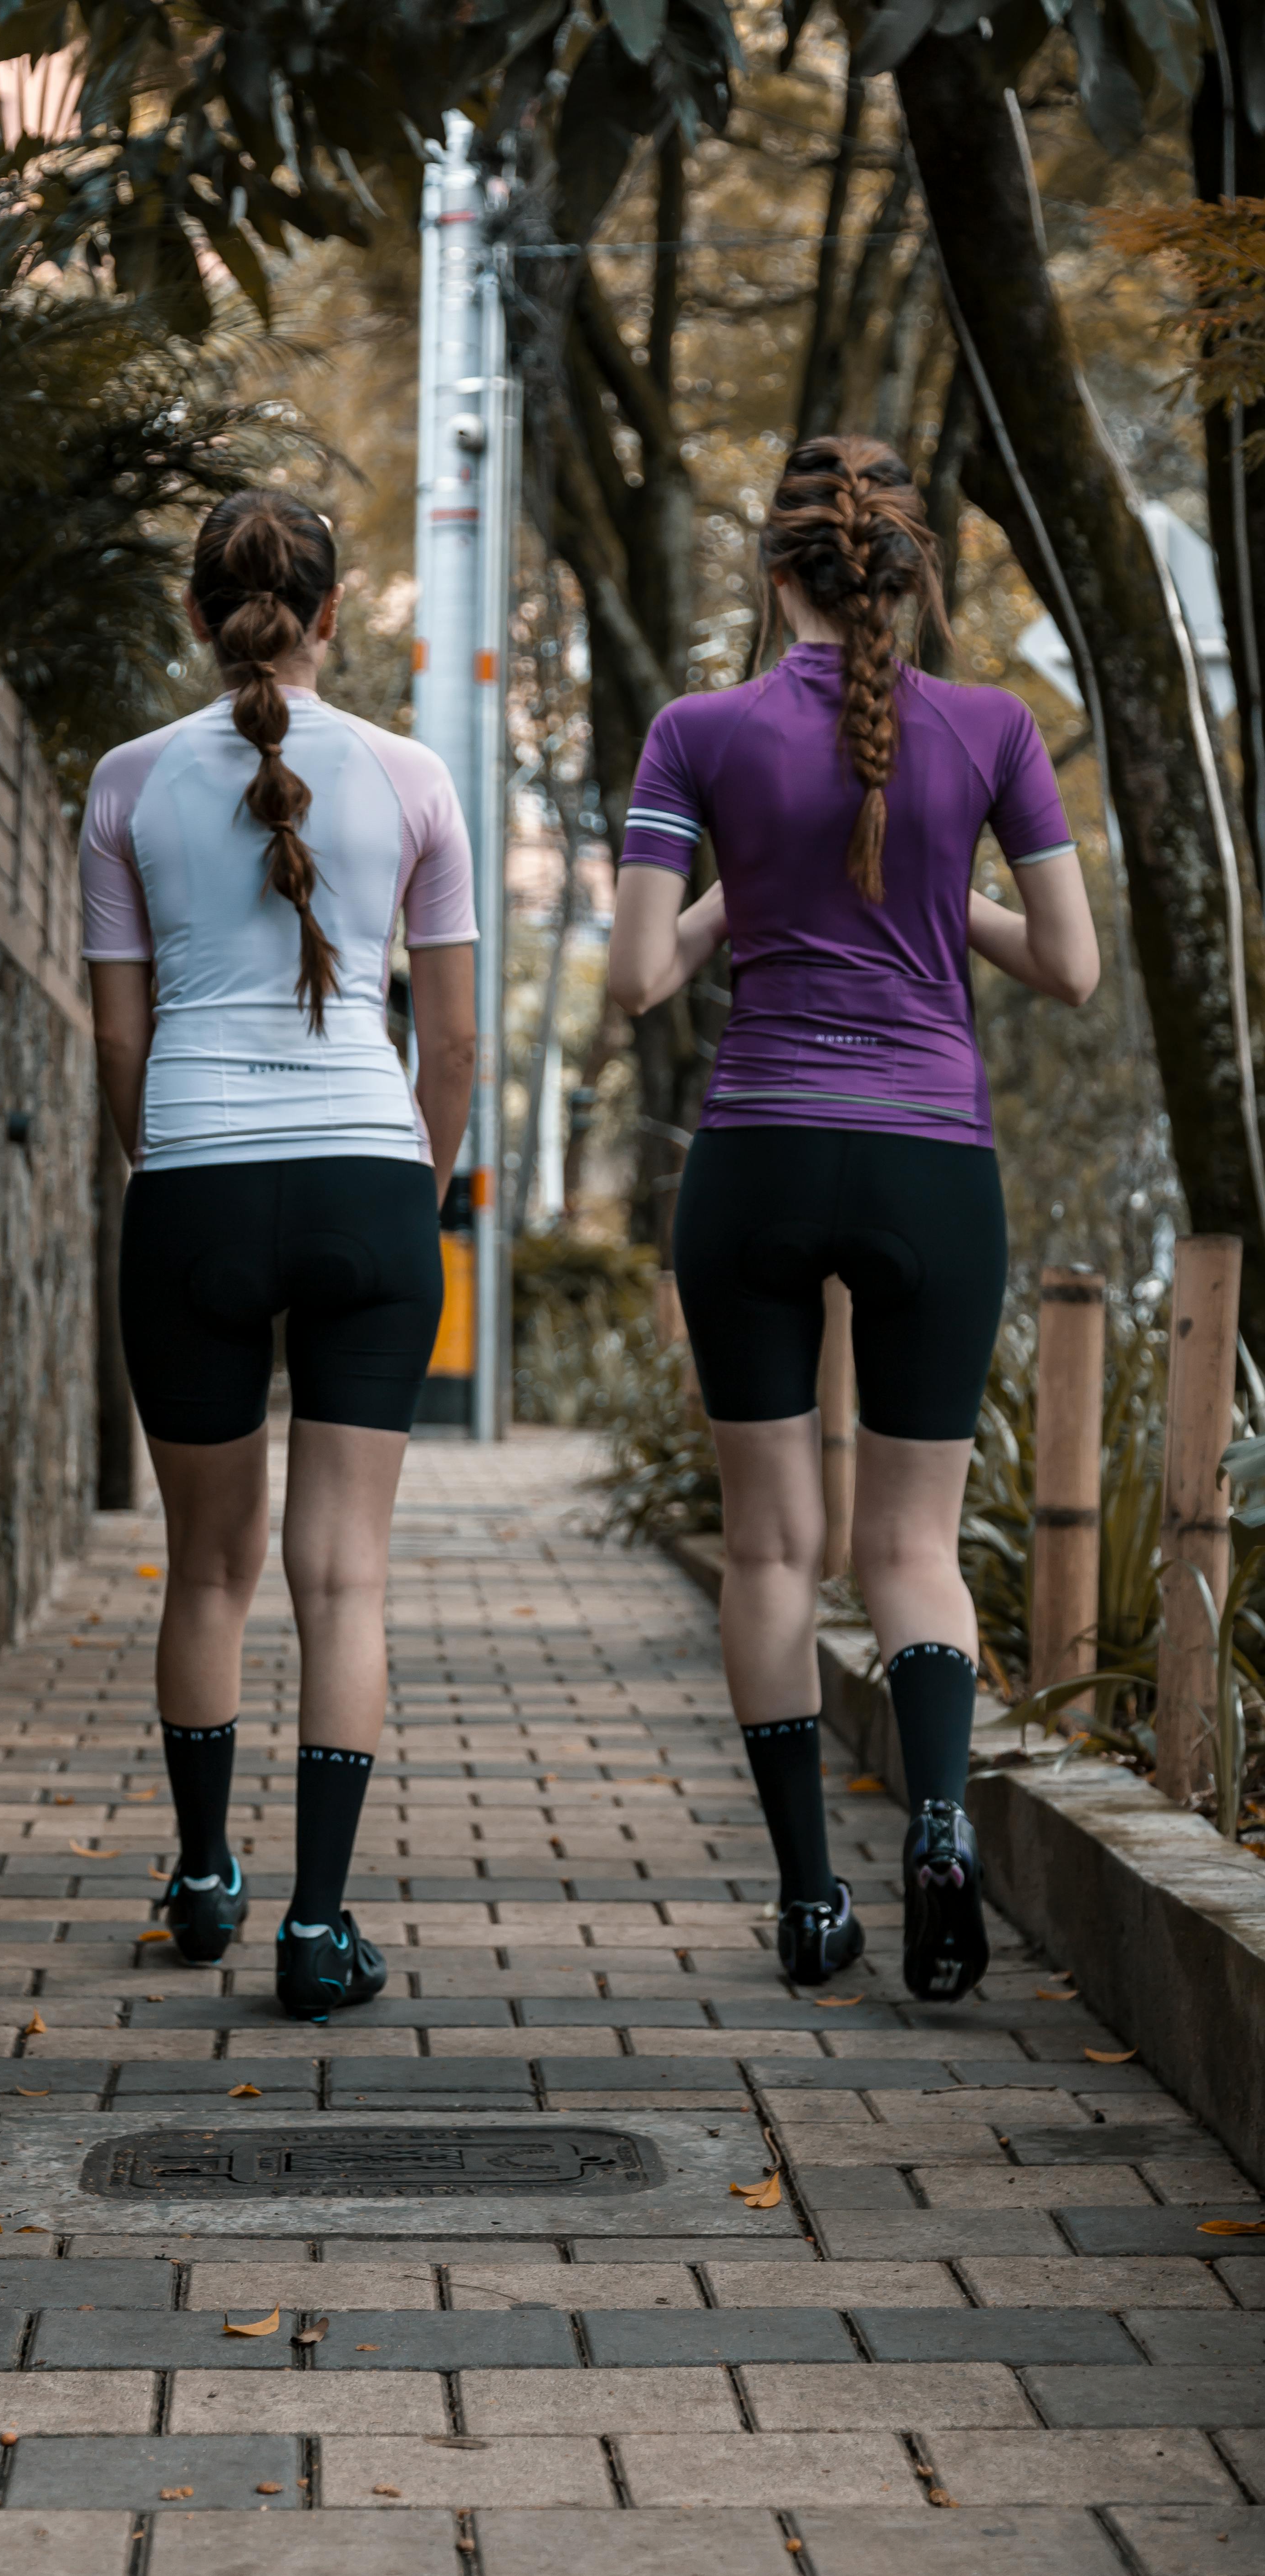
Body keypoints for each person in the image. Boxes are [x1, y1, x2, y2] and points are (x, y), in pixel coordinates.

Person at [607, 434, 1098, 1998]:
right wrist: (931, 878)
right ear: (914, 568)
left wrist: (755, 881)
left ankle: (812, 1898)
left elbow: (635, 980)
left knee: (774, 1549)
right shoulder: (996, 728)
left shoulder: (697, 733)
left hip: (755, 1156)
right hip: (928, 1166)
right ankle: (942, 1820)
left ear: (775, 569)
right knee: (911, 1545)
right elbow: (1072, 968)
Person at [80, 490, 479, 2021]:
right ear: (332, 615)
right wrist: (411, 1197)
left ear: (199, 616)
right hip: (372, 1183)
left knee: (211, 1569)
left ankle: (199, 1882)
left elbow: (121, 1036)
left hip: (192, 1181)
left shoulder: (125, 784)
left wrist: (168, 1166)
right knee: (345, 1578)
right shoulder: (414, 777)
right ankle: (320, 1925)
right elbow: (446, 1038)